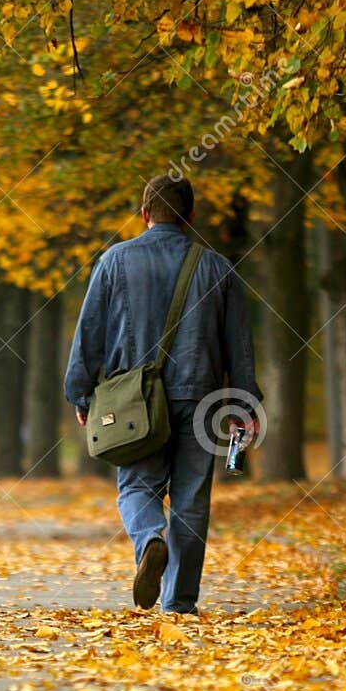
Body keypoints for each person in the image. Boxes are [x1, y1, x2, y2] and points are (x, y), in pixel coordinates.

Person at [64, 175, 262, 614]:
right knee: (192, 499)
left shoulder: (114, 261)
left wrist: (82, 394)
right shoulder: (217, 268)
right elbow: (239, 346)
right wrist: (244, 405)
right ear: (191, 217)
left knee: (136, 486)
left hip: (134, 402)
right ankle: (179, 602)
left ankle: (151, 537)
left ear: (144, 214)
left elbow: (89, 334)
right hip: (202, 399)